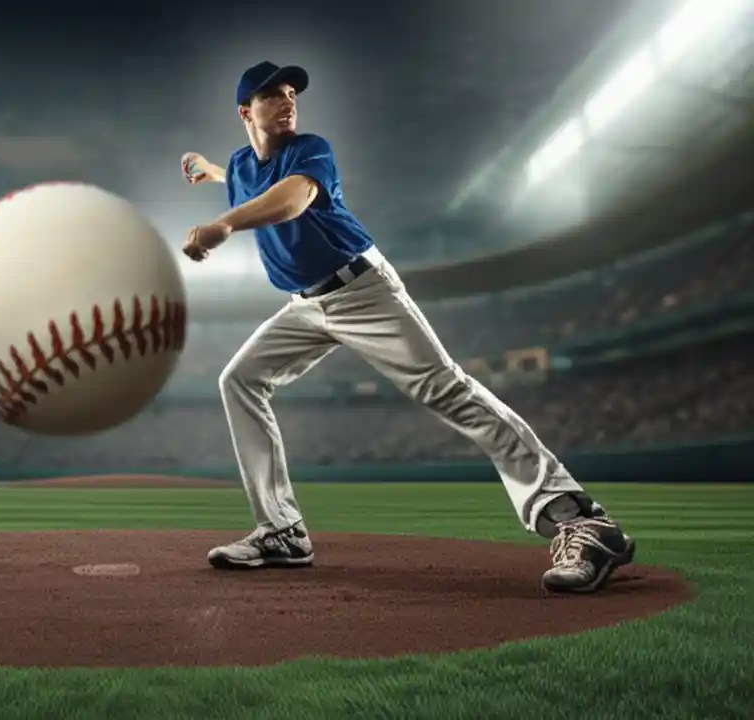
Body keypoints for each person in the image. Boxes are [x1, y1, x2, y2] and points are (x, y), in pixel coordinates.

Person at [178, 61, 634, 593]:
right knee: (239, 379)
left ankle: (580, 520)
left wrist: (225, 223)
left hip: (362, 291)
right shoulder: (238, 166)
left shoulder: (310, 150)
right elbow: (232, 175)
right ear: (244, 111)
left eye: (289, 93)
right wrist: (204, 167)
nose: (286, 101)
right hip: (307, 306)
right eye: (271, 95)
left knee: (448, 391)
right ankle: (281, 531)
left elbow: (293, 200)